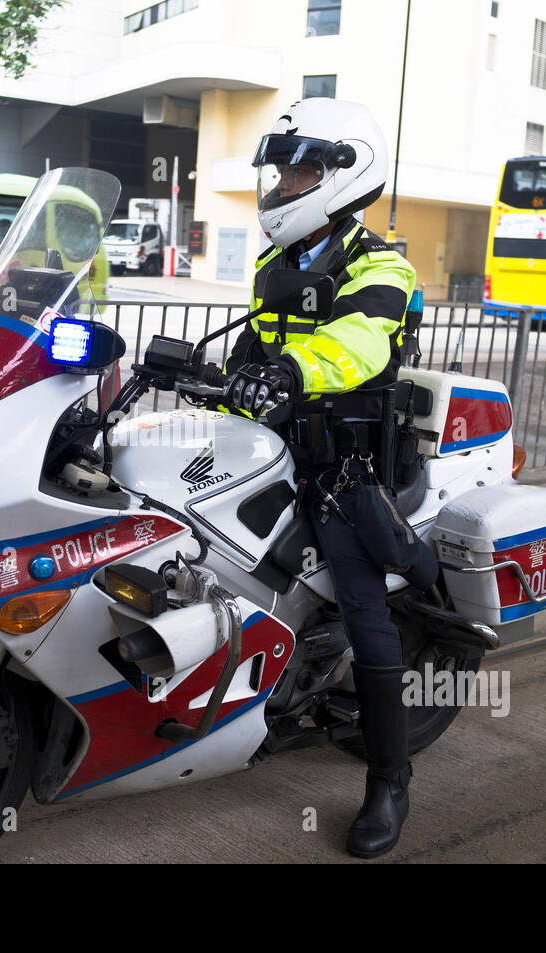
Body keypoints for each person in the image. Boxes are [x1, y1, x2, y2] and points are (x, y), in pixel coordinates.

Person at [222, 98, 439, 860]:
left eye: (302, 167)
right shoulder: (274, 263)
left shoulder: (380, 263)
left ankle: (389, 777)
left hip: (347, 459)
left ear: (346, 174)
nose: (284, 180)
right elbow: (252, 346)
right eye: (280, 167)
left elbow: (359, 342)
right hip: (276, 444)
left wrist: (290, 371)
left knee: (363, 602)